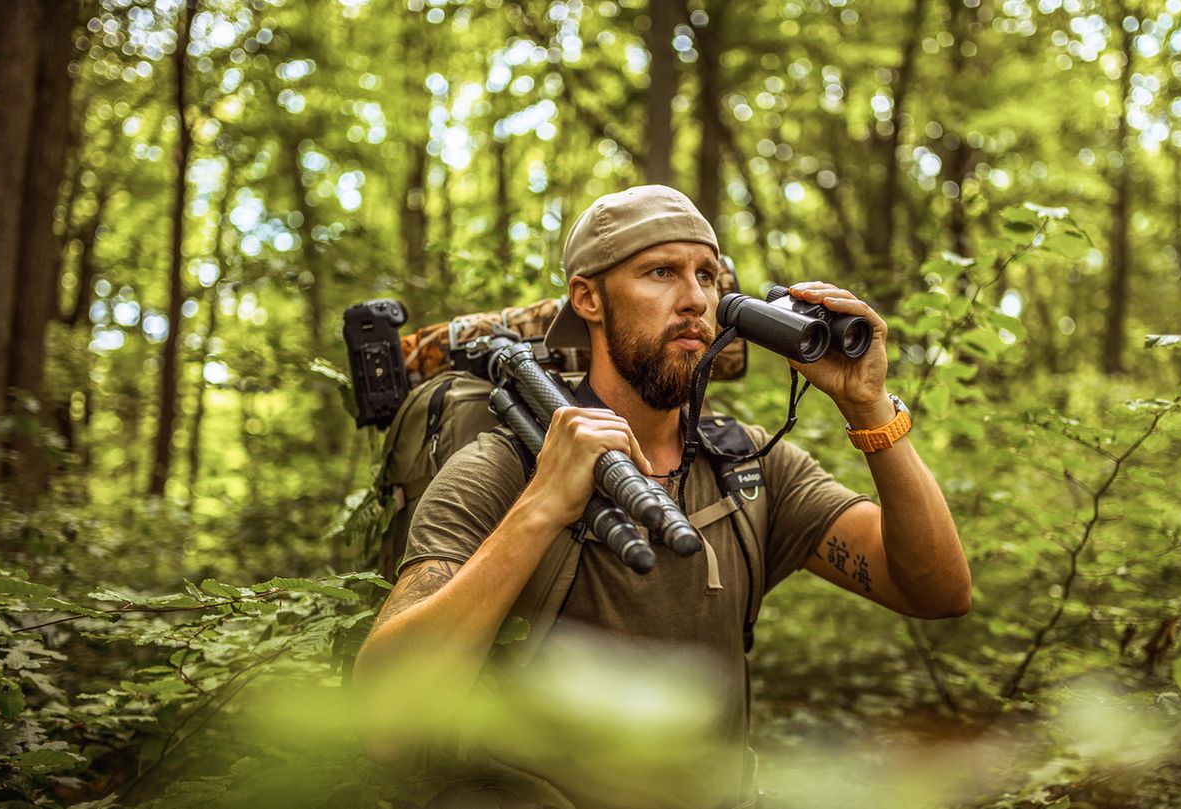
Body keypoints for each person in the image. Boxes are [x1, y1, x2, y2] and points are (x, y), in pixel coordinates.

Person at [353, 185, 971, 808]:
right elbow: (386, 721)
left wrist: (868, 406)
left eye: (707, 274)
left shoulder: (749, 465)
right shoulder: (501, 467)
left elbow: (936, 591)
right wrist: (542, 506)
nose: (696, 299)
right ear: (588, 298)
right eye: (660, 272)